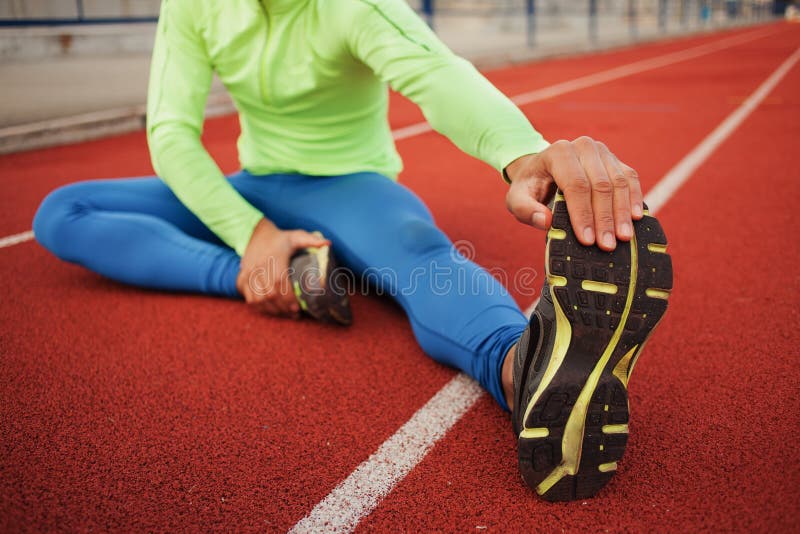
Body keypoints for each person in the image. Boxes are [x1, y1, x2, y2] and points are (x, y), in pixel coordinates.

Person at [32, 0, 671, 501]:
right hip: (255, 191)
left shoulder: (352, 3)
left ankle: (525, 368)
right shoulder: (194, 4)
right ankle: (278, 271)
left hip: (353, 187)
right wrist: (250, 236)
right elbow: (171, 131)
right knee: (64, 212)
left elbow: (435, 72)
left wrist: (523, 154)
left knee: (422, 260)